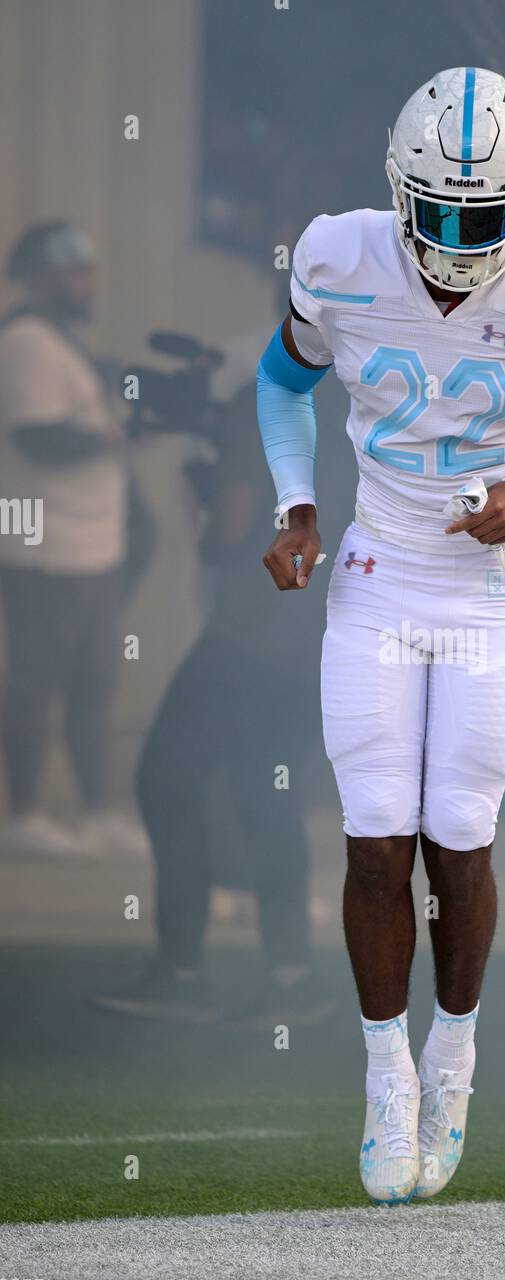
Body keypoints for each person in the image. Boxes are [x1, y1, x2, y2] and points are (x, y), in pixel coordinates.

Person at [255, 68, 505, 1204]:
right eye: (437, 214)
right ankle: (384, 1078)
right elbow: (283, 386)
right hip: (378, 567)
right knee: (375, 837)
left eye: (482, 219)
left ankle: (453, 1058)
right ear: (397, 192)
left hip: (482, 589)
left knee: (456, 842)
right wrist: (295, 501)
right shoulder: (338, 256)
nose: (456, 240)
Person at [92, 315, 337, 1026]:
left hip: (250, 635)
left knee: (166, 778)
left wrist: (196, 492)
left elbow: (229, 529)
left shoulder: (260, 397)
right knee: (269, 797)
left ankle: (183, 970)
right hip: (313, 631)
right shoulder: (350, 396)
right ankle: (293, 977)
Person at [0, 221, 143, 857]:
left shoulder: (62, 341)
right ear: (39, 277)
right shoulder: (27, 340)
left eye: (87, 270)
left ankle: (97, 812)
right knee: (38, 681)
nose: (85, 282)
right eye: (71, 272)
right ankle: (25, 813)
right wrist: (116, 436)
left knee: (92, 684)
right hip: (45, 546)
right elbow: (38, 436)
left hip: (90, 547)